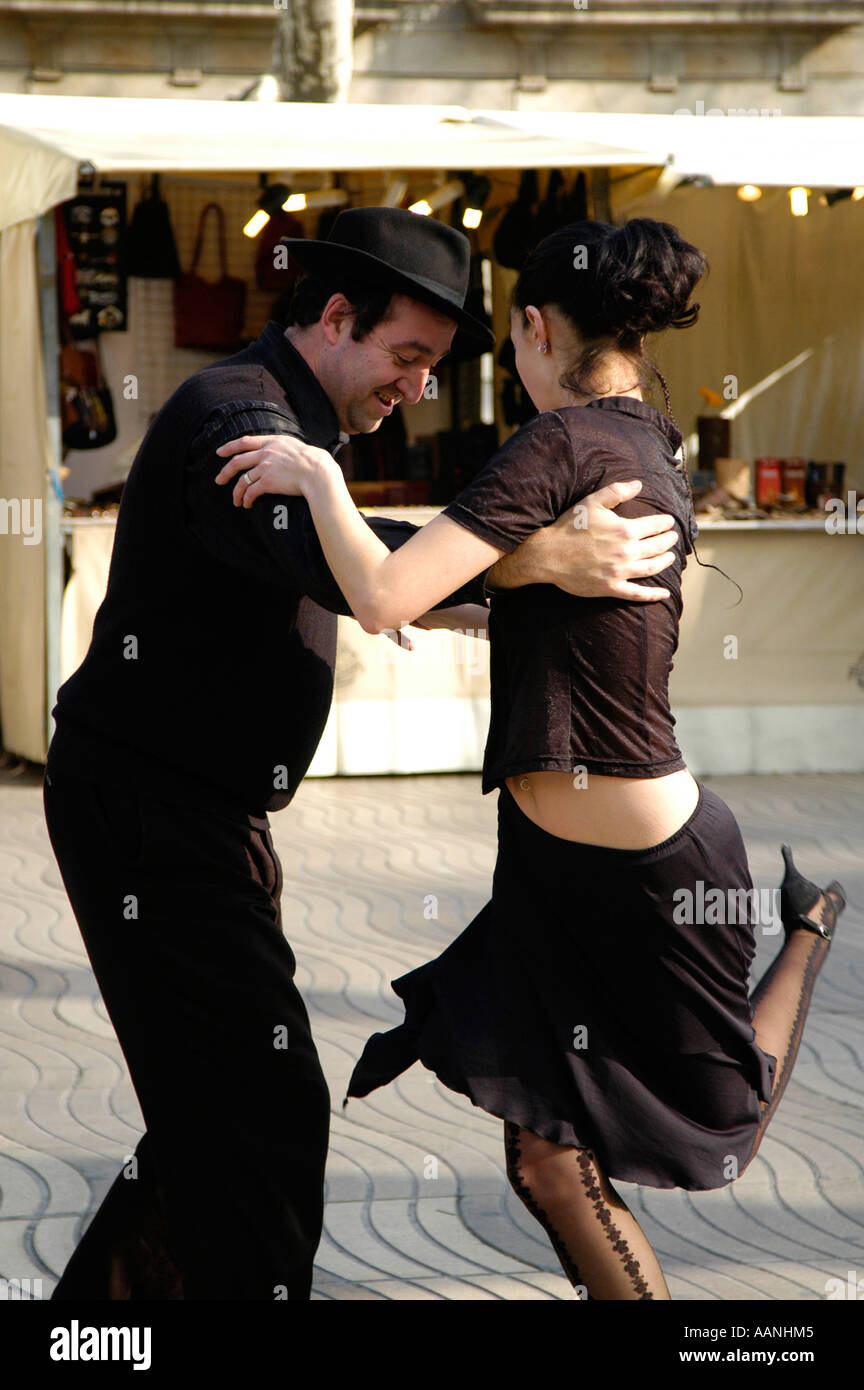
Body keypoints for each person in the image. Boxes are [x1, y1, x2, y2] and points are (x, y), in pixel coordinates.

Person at [42, 207, 681, 1301]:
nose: (417, 388)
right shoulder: (239, 421)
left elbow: (371, 574)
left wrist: (510, 595)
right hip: (147, 817)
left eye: (434, 367)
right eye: (407, 356)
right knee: (263, 1111)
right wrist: (534, 559)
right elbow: (352, 568)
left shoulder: (303, 422)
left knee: (214, 1111)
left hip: (206, 820)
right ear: (336, 316)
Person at [214, 215, 847, 1301]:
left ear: (536, 327)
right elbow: (494, 598)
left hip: (647, 869)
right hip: (555, 874)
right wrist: (516, 574)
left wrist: (319, 477)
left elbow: (385, 594)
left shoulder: (562, 443)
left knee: (723, 1120)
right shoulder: (646, 442)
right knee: (547, 1164)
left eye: (508, 341)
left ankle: (809, 931)